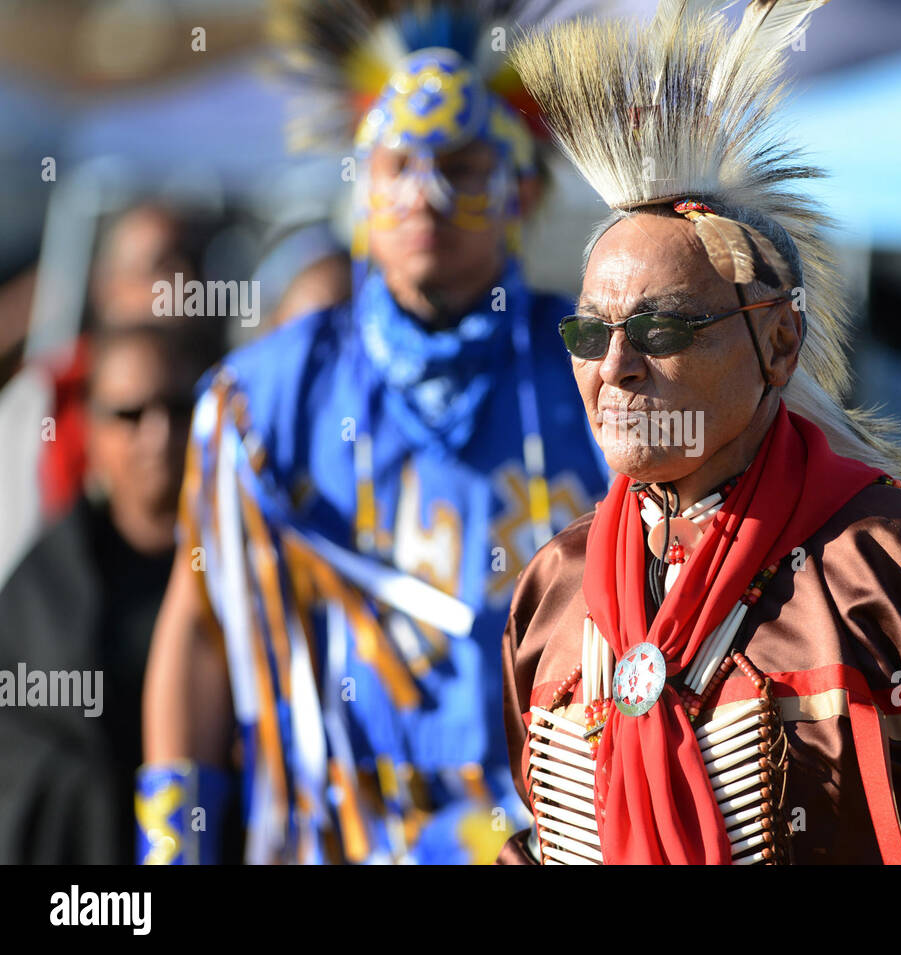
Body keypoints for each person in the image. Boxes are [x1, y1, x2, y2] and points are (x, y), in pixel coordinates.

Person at [495, 0, 901, 865]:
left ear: (779, 342)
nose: (614, 365)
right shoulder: (557, 588)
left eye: (662, 331)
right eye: (591, 332)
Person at [138, 1, 606, 865]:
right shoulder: (266, 398)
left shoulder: (596, 371)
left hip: (549, 836)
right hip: (341, 837)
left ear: (524, 189)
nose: (424, 195)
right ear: (360, 185)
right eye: (399, 164)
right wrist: (170, 846)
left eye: (461, 167)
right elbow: (203, 627)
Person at [0, 323, 211, 863]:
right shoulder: (40, 590)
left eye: (178, 409)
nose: (157, 436)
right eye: (130, 415)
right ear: (91, 430)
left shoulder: (243, 570)